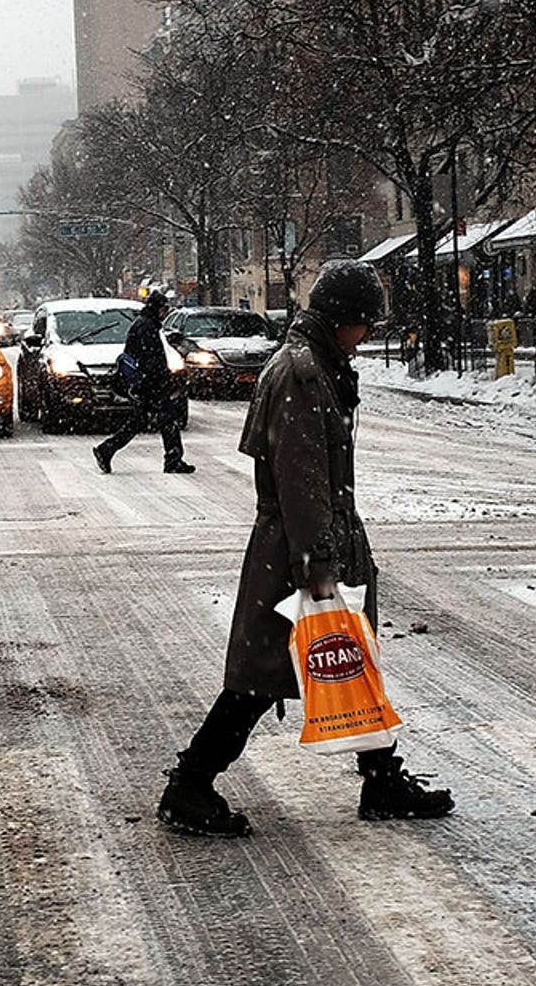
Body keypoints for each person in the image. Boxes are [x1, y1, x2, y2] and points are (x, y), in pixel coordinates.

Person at [157, 260, 453, 837]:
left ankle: (380, 777)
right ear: (342, 319)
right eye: (364, 324)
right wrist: (317, 567)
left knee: (349, 659)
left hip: (310, 542)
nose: (366, 336)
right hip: (299, 549)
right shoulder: (302, 373)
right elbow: (301, 480)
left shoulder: (315, 363)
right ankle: (190, 784)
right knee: (261, 678)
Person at [93, 289, 192, 475]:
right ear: (156, 309)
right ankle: (173, 460)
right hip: (150, 383)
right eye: (164, 309)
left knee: (139, 421)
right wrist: (161, 380)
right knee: (167, 419)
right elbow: (151, 359)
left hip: (144, 382)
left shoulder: (145, 324)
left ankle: (106, 450)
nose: (165, 313)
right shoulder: (146, 327)